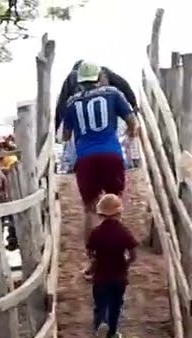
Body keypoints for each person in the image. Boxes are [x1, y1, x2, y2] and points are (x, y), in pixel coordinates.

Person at [61, 60, 138, 242]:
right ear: (98, 78)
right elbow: (132, 122)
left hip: (86, 158)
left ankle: (92, 252)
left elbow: (65, 136)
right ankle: (117, 244)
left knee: (89, 208)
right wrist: (130, 134)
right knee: (114, 202)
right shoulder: (113, 94)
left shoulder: (72, 102)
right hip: (111, 154)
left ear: (79, 81)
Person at [85, 193, 137, 338]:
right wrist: (126, 264)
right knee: (115, 305)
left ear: (100, 214)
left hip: (100, 276)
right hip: (119, 276)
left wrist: (93, 265)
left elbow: (90, 253)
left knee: (100, 303)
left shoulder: (96, 232)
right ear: (119, 213)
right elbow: (133, 254)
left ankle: (99, 324)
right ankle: (111, 334)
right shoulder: (124, 232)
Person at [54, 59, 139, 130]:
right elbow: (124, 86)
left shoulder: (72, 77)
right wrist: (134, 105)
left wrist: (56, 127)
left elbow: (61, 104)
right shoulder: (105, 73)